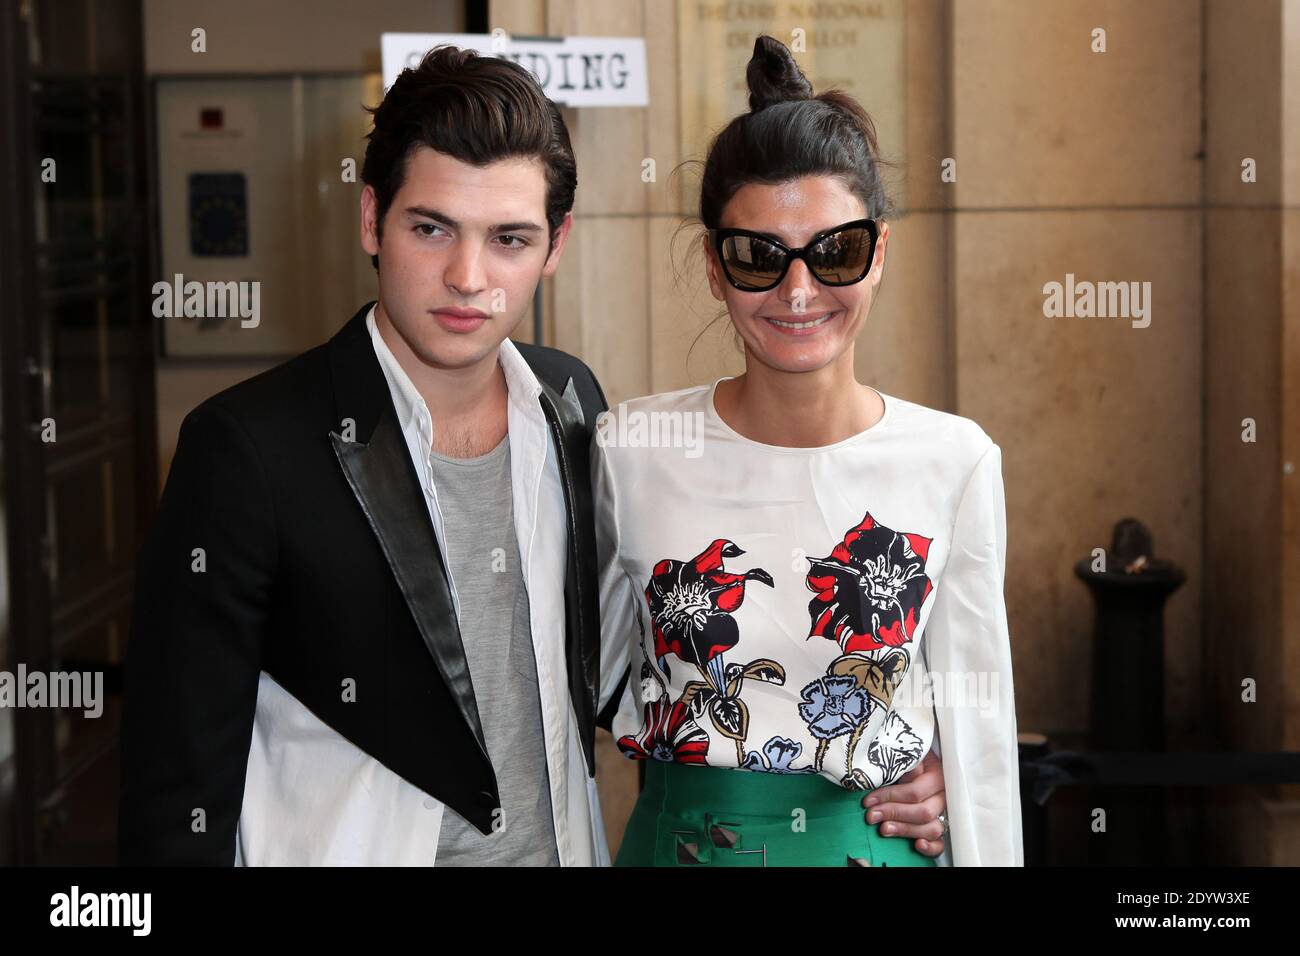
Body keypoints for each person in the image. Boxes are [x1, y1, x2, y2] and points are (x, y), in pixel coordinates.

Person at [119, 43, 949, 866]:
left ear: (556, 246)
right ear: (372, 219)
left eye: (509, 238)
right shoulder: (247, 449)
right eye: (432, 227)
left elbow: (644, 660)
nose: (468, 276)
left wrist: (909, 758)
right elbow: (176, 786)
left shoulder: (575, 408)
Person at [594, 35, 1021, 867]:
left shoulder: (953, 461)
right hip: (685, 847)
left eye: (836, 251)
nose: (798, 290)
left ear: (880, 252)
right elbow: (574, 685)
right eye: (756, 256)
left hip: (876, 850)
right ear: (715, 269)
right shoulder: (628, 450)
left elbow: (982, 734)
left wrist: (940, 777)